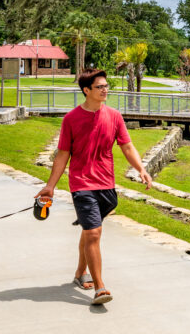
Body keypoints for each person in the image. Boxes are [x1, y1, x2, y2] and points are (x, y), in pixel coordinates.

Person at [36, 69, 152, 305]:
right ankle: (100, 288)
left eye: (106, 86)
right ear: (86, 90)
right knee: (93, 232)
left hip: (106, 185)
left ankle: (80, 273)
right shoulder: (71, 119)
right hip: (81, 183)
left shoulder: (114, 116)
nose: (105, 90)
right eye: (100, 87)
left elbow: (127, 147)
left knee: (90, 230)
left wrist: (141, 169)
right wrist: (50, 186)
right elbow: (63, 154)